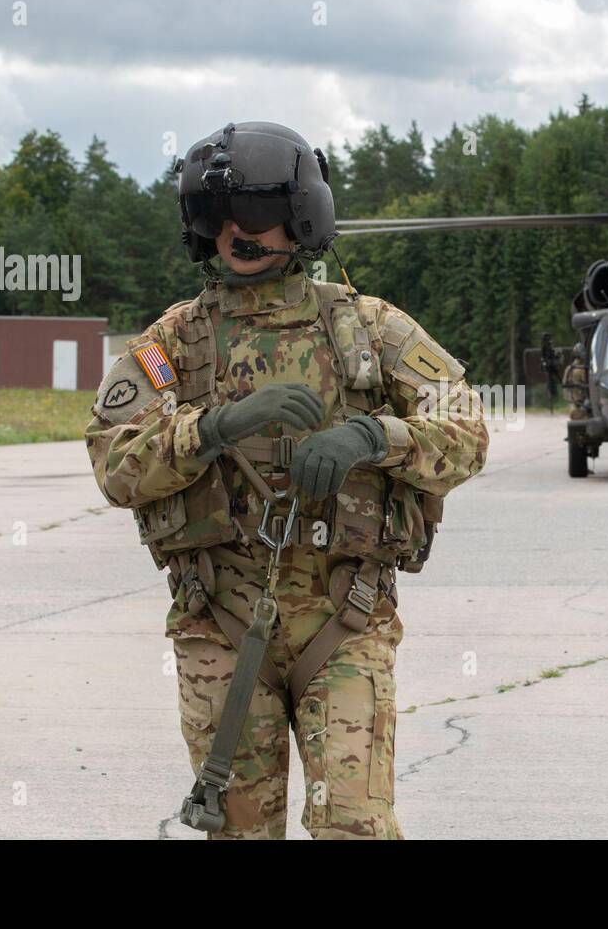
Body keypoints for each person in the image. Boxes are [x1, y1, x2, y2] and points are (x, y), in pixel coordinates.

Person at [85, 121, 488, 839]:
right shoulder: (173, 342)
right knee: (238, 829)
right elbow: (115, 464)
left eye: (263, 214)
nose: (240, 231)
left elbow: (465, 434)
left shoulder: (370, 330)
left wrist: (375, 436)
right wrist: (210, 428)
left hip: (345, 619)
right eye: (220, 216)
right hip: (219, 622)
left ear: (303, 218)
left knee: (356, 824)